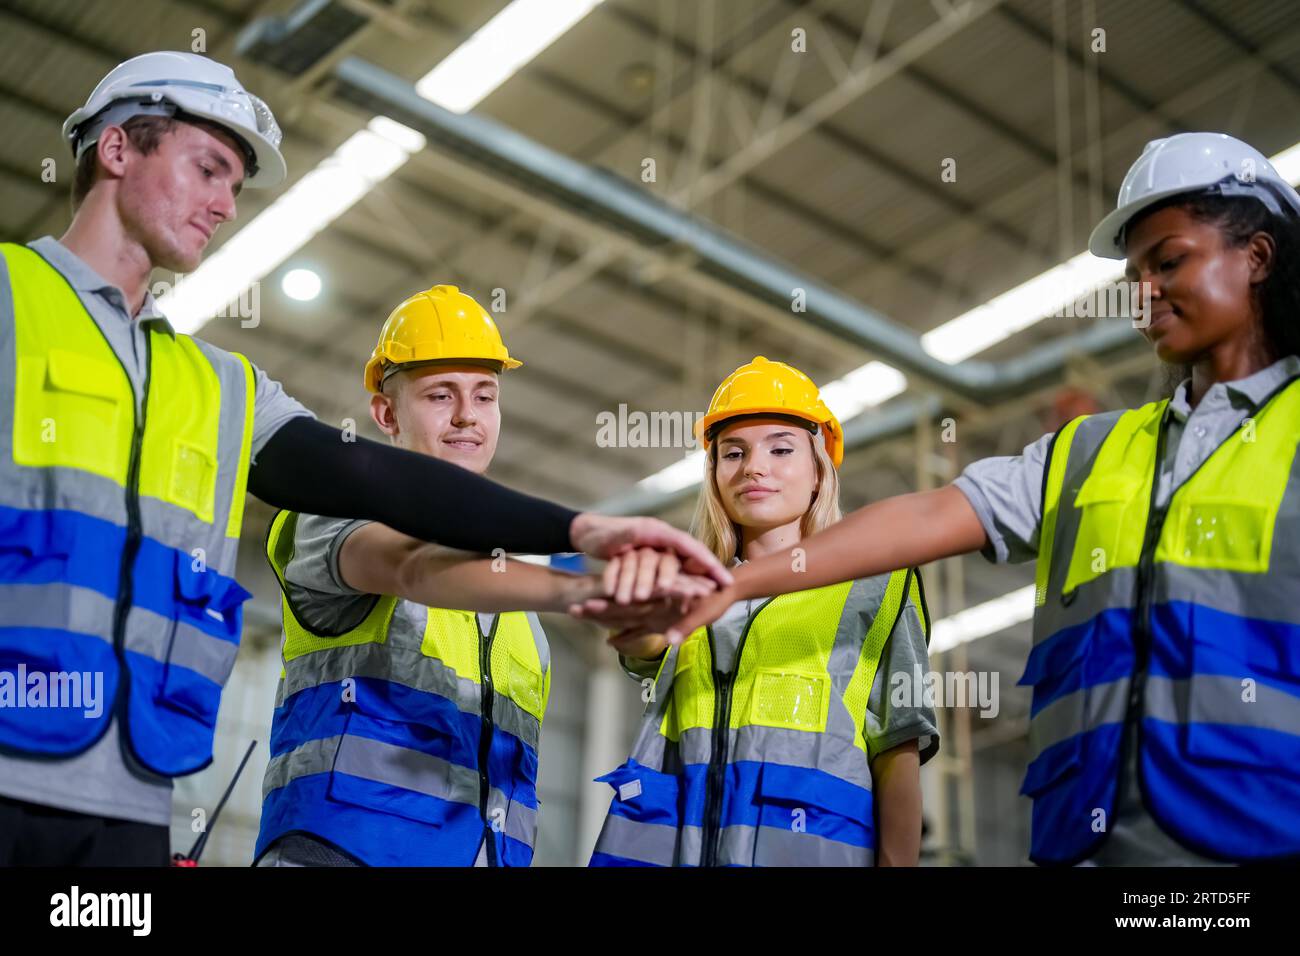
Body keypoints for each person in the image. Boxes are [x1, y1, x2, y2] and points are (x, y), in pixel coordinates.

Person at [0, 50, 726, 867]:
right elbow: (401, 548)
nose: (224, 205)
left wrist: (584, 533)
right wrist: (587, 564)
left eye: (235, 186)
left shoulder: (222, 387)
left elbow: (360, 471)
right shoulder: (10, 296)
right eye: (209, 169)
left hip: (132, 790)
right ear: (117, 149)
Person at [655, 133, 1300, 866]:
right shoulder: (1087, 451)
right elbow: (921, 518)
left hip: (1262, 828)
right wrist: (728, 583)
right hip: (1093, 839)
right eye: (1136, 273)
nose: (1143, 292)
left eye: (1169, 261)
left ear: (1256, 256)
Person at [255, 286, 714, 866]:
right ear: (386, 412)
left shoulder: (524, 627)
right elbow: (413, 565)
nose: (468, 415)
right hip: (340, 854)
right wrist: (587, 588)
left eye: (485, 395)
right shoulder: (328, 513)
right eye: (440, 394)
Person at [581, 357, 937, 866]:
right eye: (733, 452)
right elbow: (640, 650)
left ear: (819, 471)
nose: (753, 467)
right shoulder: (689, 589)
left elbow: (898, 749)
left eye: (781, 449)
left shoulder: (877, 583)